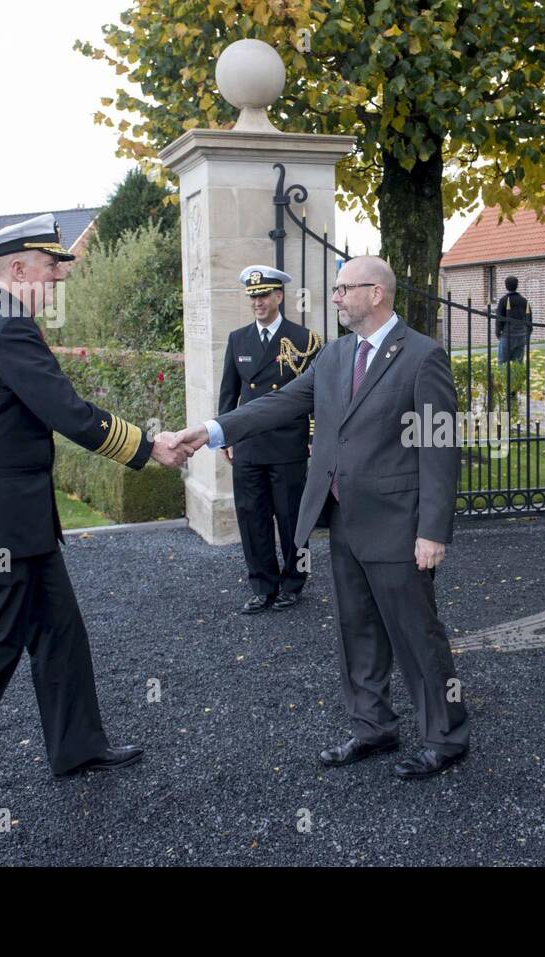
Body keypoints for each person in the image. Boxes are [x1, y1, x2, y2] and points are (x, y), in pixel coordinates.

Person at [0, 213, 191, 823]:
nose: (58, 278)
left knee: (59, 632)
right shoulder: (6, 328)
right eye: (52, 267)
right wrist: (147, 447)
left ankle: (77, 746)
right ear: (19, 269)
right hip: (3, 523)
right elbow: (68, 411)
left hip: (18, 519)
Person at [172, 256, 470, 779]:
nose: (333, 298)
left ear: (376, 293)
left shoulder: (423, 357)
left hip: (399, 524)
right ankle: (372, 727)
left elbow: (440, 448)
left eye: (342, 289)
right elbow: (280, 404)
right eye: (333, 290)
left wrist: (431, 531)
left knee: (416, 633)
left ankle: (446, 736)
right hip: (345, 520)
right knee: (357, 630)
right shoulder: (334, 356)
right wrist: (211, 430)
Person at [218, 266, 321, 614]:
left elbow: (316, 395)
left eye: (263, 295)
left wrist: (313, 435)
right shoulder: (238, 339)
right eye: (253, 297)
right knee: (252, 517)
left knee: (294, 518)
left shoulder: (305, 340)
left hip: (288, 442)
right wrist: (225, 435)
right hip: (248, 443)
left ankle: (295, 582)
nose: (257, 302)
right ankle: (263, 586)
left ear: (279, 296)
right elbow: (228, 393)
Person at [495, 275, 532, 365]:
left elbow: (499, 318)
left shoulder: (503, 300)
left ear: (506, 286)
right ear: (517, 285)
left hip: (508, 335)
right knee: (518, 362)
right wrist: (528, 333)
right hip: (521, 334)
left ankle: (504, 378)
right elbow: (529, 319)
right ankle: (518, 378)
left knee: (502, 361)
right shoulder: (524, 300)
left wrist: (498, 332)